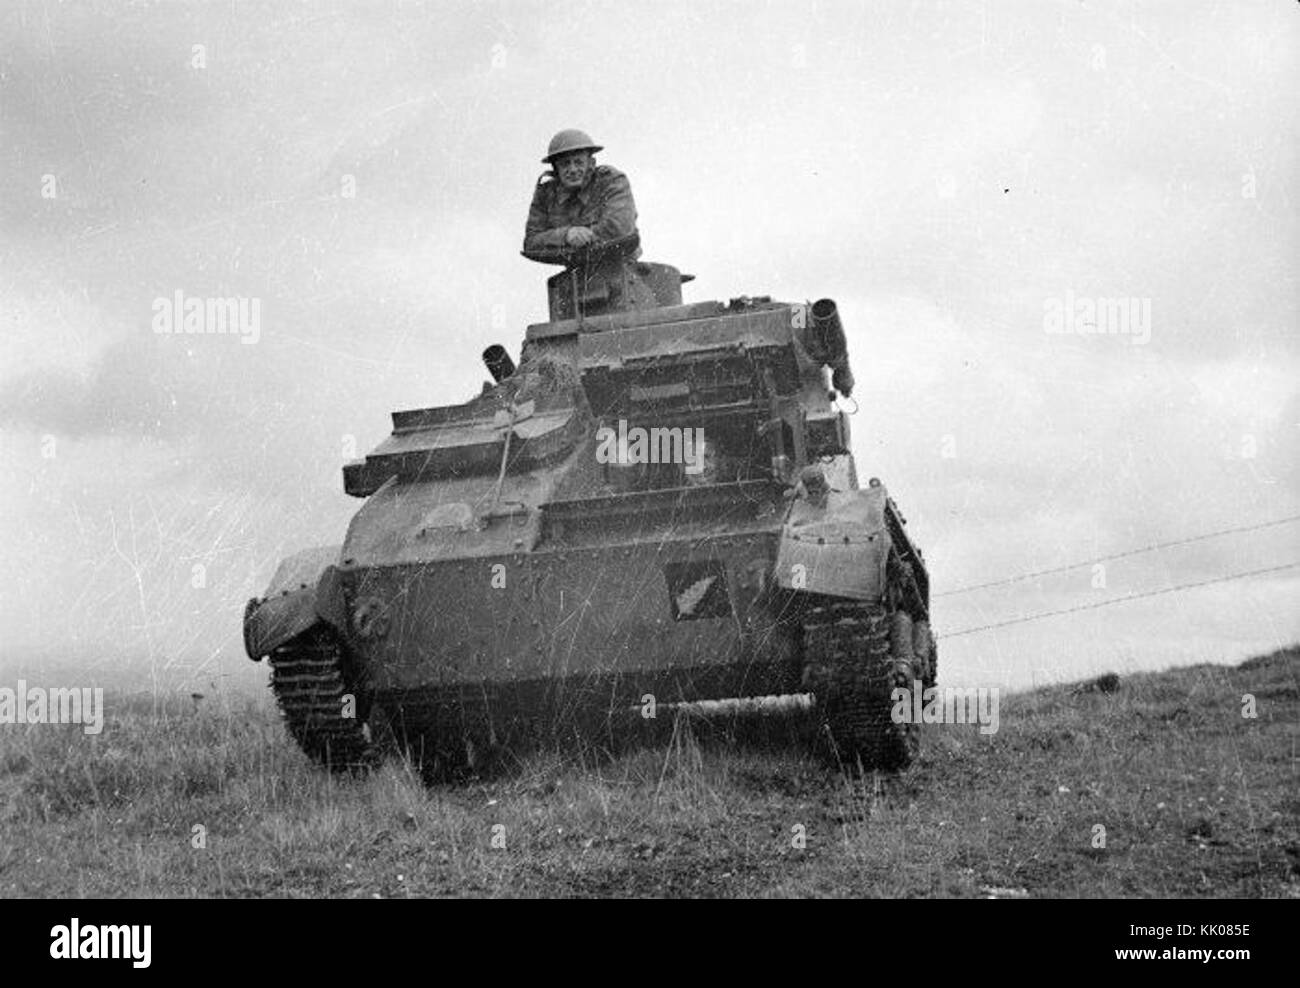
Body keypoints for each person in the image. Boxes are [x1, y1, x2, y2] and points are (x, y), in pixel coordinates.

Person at [523, 129, 640, 255]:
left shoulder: (611, 181)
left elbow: (620, 228)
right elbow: (531, 242)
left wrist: (587, 235)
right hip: (577, 267)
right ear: (555, 169)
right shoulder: (546, 193)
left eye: (578, 162)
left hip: (620, 261)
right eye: (565, 164)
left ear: (591, 164)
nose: (572, 169)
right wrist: (566, 235)